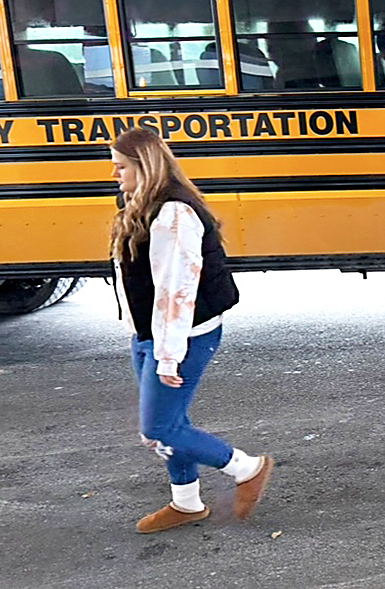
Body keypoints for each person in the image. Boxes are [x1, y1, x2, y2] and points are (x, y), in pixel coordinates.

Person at [109, 127, 273, 533]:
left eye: (120, 167)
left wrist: (168, 354)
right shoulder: (137, 203)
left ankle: (246, 468)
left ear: (144, 167)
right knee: (173, 422)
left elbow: (176, 290)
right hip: (150, 333)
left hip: (183, 335)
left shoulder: (173, 212)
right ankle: (186, 502)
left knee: (159, 427)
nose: (114, 175)